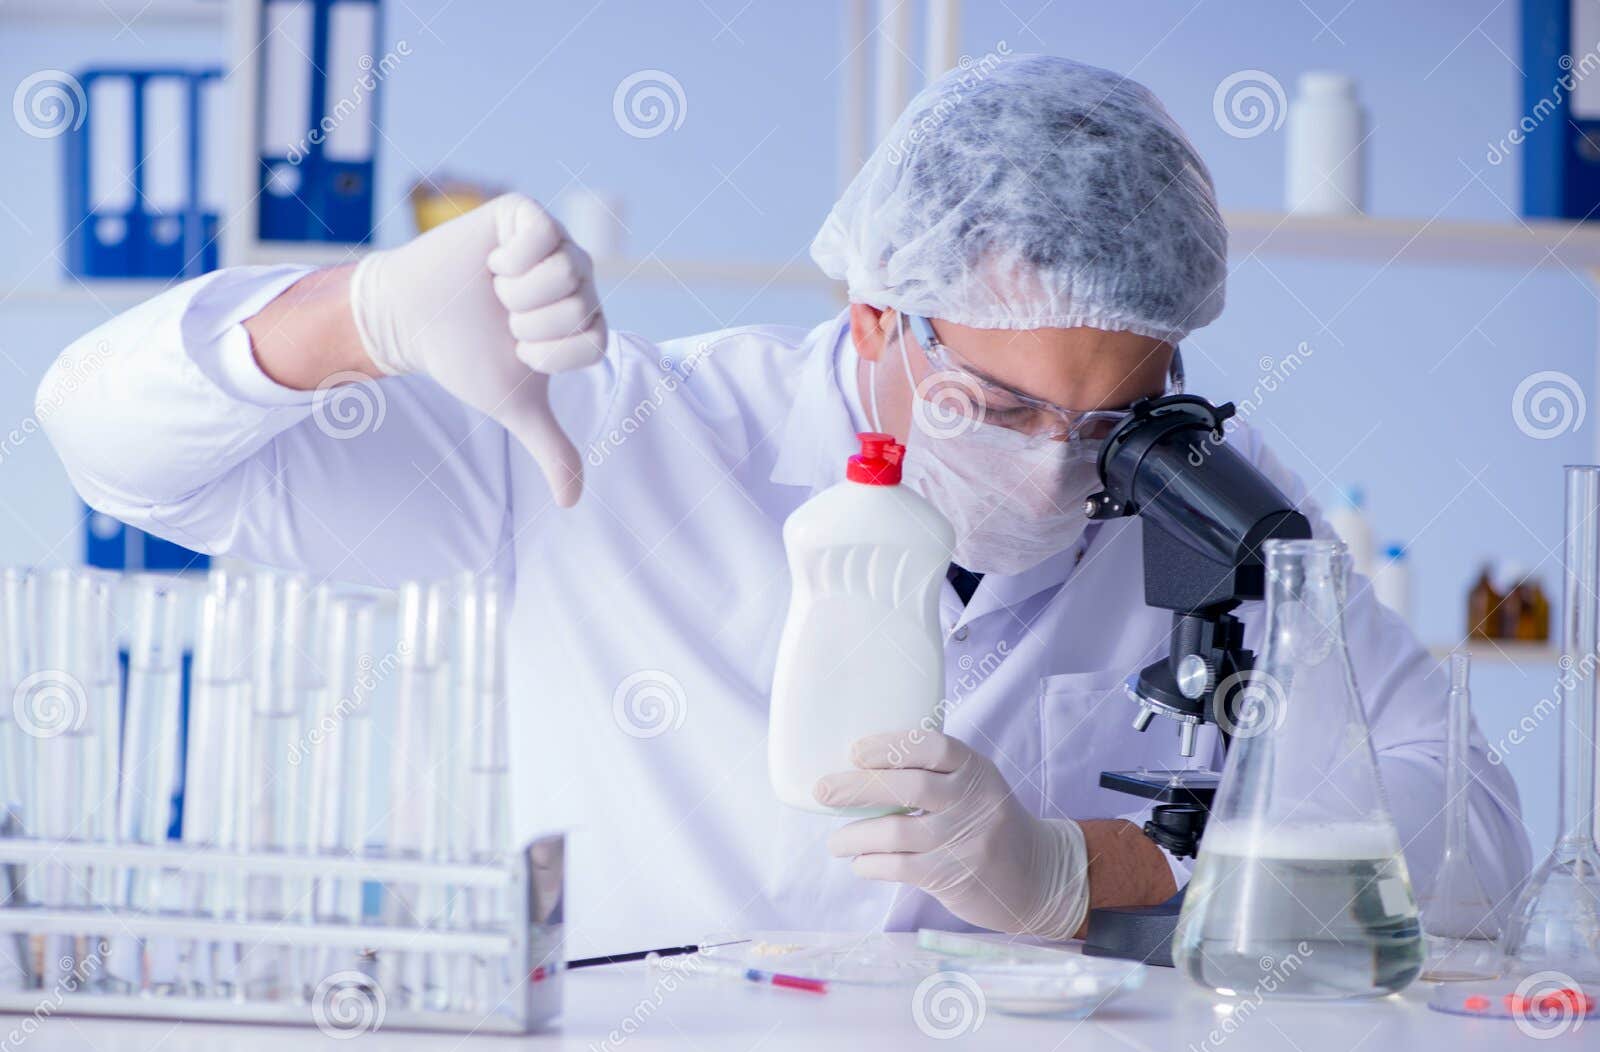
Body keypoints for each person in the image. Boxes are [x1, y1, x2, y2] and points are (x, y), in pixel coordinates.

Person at [38, 55, 1527, 954]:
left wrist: (1090, 868)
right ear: (878, 314)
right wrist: (350, 314)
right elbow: (111, 441)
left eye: (1113, 418)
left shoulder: (1205, 499)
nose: (1058, 465)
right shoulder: (614, 433)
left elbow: (1471, 831)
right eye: (1002, 405)